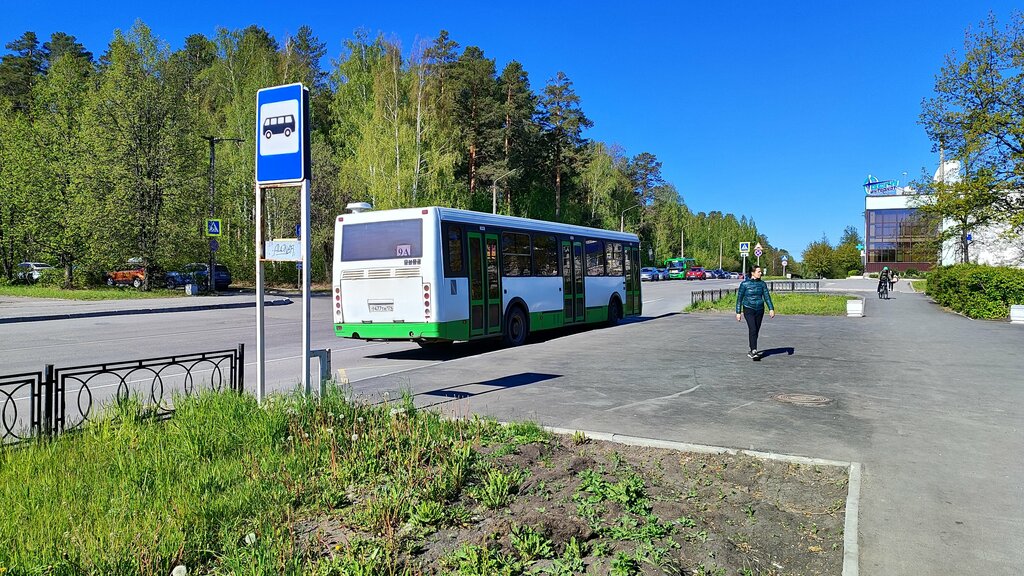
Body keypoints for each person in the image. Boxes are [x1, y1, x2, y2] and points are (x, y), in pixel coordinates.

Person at [735, 265, 775, 360]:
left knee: (756, 330)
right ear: (753, 273)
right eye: (759, 272)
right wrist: (738, 312)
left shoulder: (762, 284)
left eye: (761, 272)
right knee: (752, 329)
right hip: (748, 308)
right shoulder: (744, 284)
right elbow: (739, 299)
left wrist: (771, 308)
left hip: (760, 309)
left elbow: (767, 297)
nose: (760, 273)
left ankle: (751, 348)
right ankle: (754, 350)